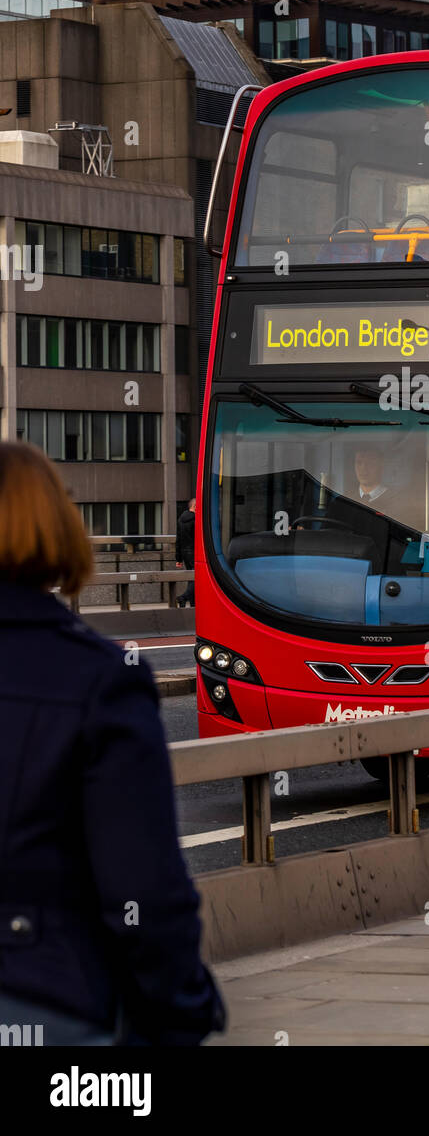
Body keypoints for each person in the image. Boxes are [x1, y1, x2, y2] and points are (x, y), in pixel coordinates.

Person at [0, 442, 225, 1044]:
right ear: (57, 529)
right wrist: (187, 1007)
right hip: (42, 995)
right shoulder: (100, 679)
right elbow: (144, 890)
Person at [175, 497, 196, 607]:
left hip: (184, 552)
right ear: (195, 506)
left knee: (191, 577)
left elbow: (178, 539)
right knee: (197, 577)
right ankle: (183, 597)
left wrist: (178, 559)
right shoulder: (196, 519)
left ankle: (193, 603)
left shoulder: (181, 519)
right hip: (194, 551)